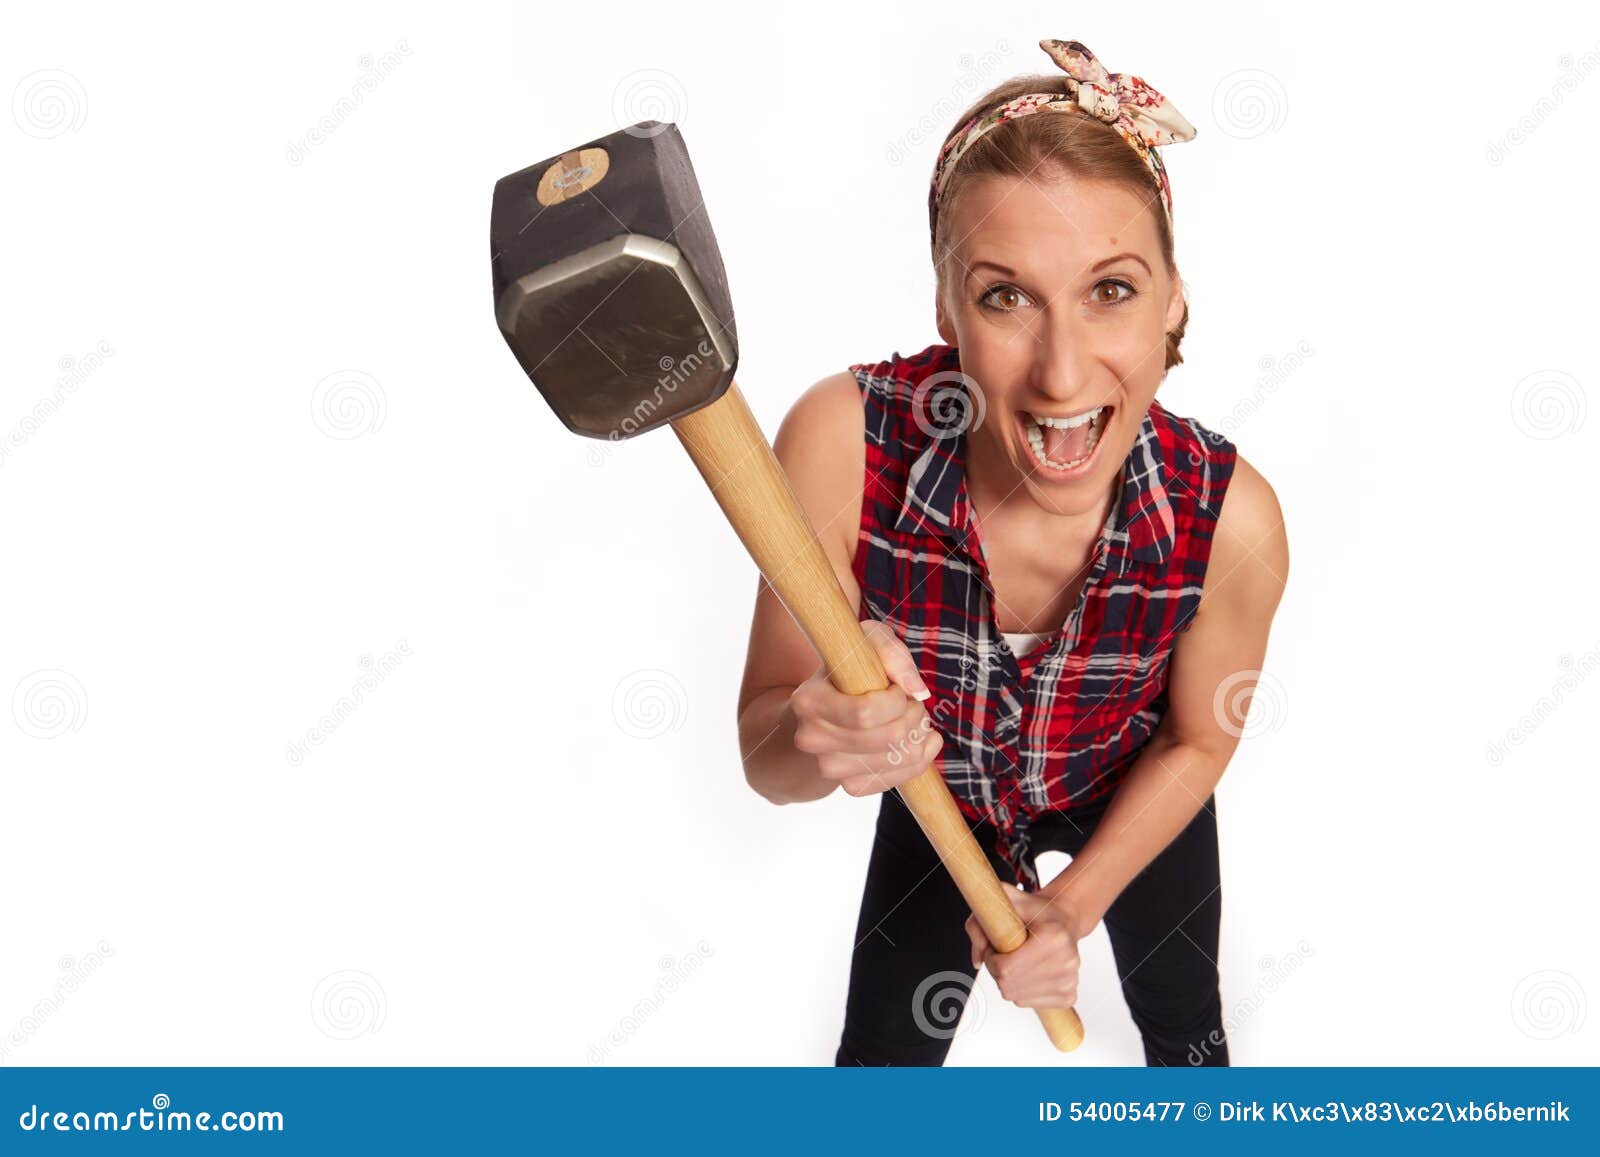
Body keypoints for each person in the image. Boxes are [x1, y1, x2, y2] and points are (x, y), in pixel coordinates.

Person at [736, 39, 1289, 1066]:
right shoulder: (840, 442)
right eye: (1005, 296)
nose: (1062, 367)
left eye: (1111, 289)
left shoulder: (1233, 516)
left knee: (1186, 1030)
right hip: (938, 790)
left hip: (1127, 777)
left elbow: (1198, 741)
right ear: (946, 306)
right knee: (879, 1065)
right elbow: (766, 759)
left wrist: (1071, 907)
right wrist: (816, 733)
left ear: (1173, 296)